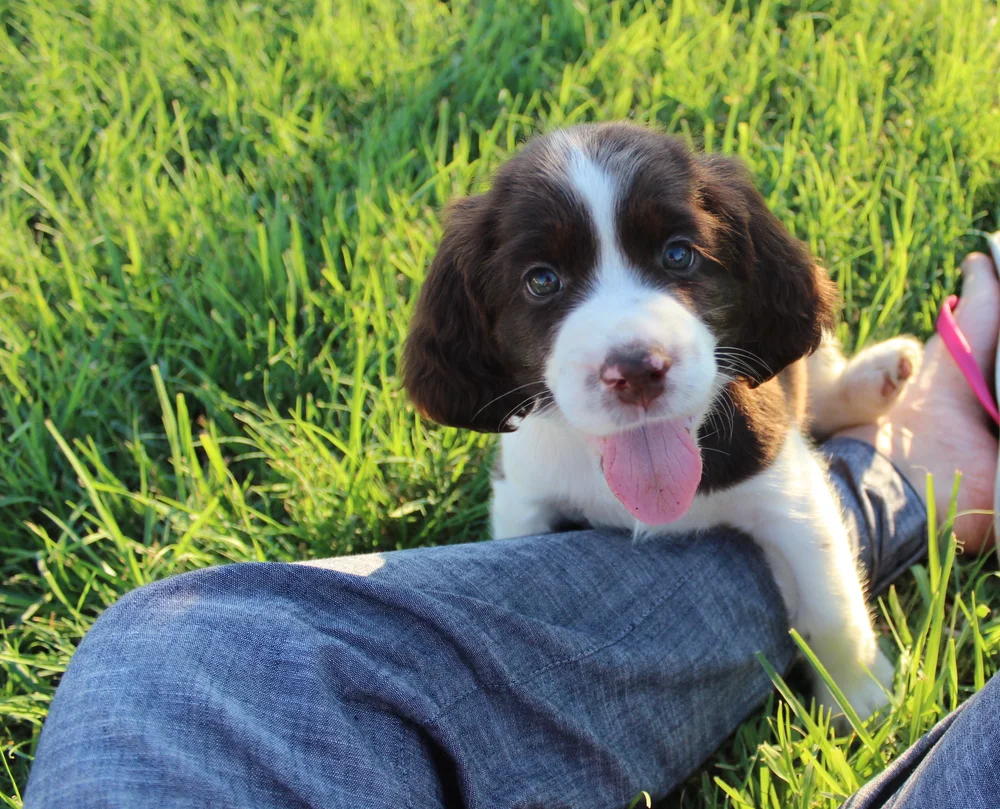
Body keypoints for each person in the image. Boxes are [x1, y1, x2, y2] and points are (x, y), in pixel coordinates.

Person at [23, 254, 1000, 809]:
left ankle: (867, 450)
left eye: (673, 258)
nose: (627, 340)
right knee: (184, 650)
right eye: (544, 279)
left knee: (173, 651)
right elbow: (522, 512)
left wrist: (849, 668)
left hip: (747, 433)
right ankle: (891, 478)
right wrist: (517, 575)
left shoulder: (729, 371)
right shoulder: (536, 428)